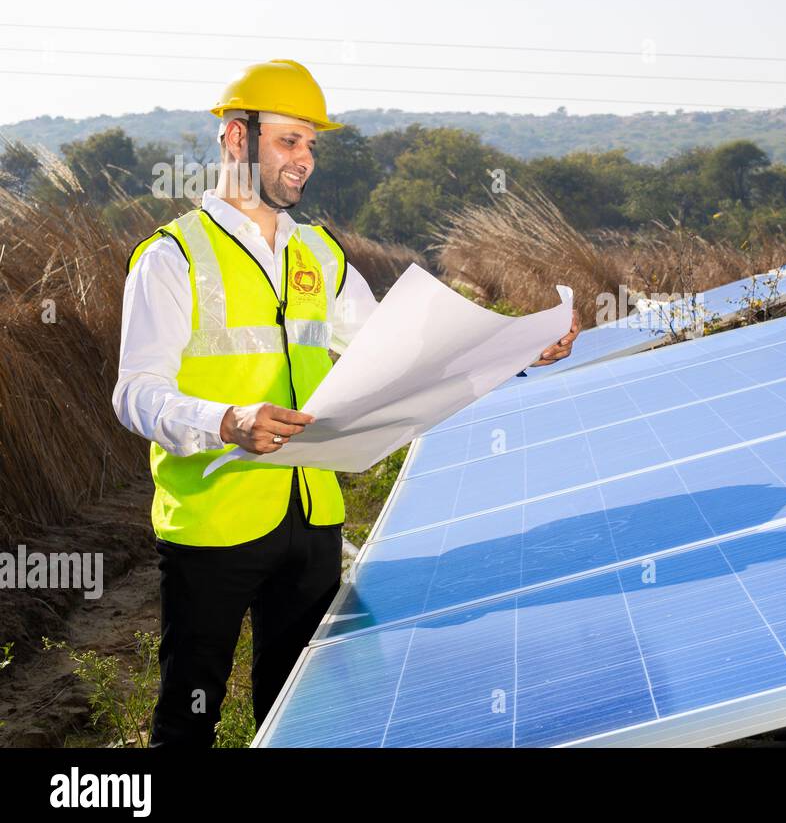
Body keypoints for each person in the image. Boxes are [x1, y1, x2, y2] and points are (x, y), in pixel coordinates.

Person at [113, 59, 579, 746]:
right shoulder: (173, 256)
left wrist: (513, 351)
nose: (304, 161)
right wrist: (229, 422)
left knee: (307, 716)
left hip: (312, 517)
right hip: (215, 521)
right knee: (189, 719)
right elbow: (134, 394)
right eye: (288, 141)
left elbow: (399, 351)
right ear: (235, 139)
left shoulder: (321, 255)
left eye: (311, 146)